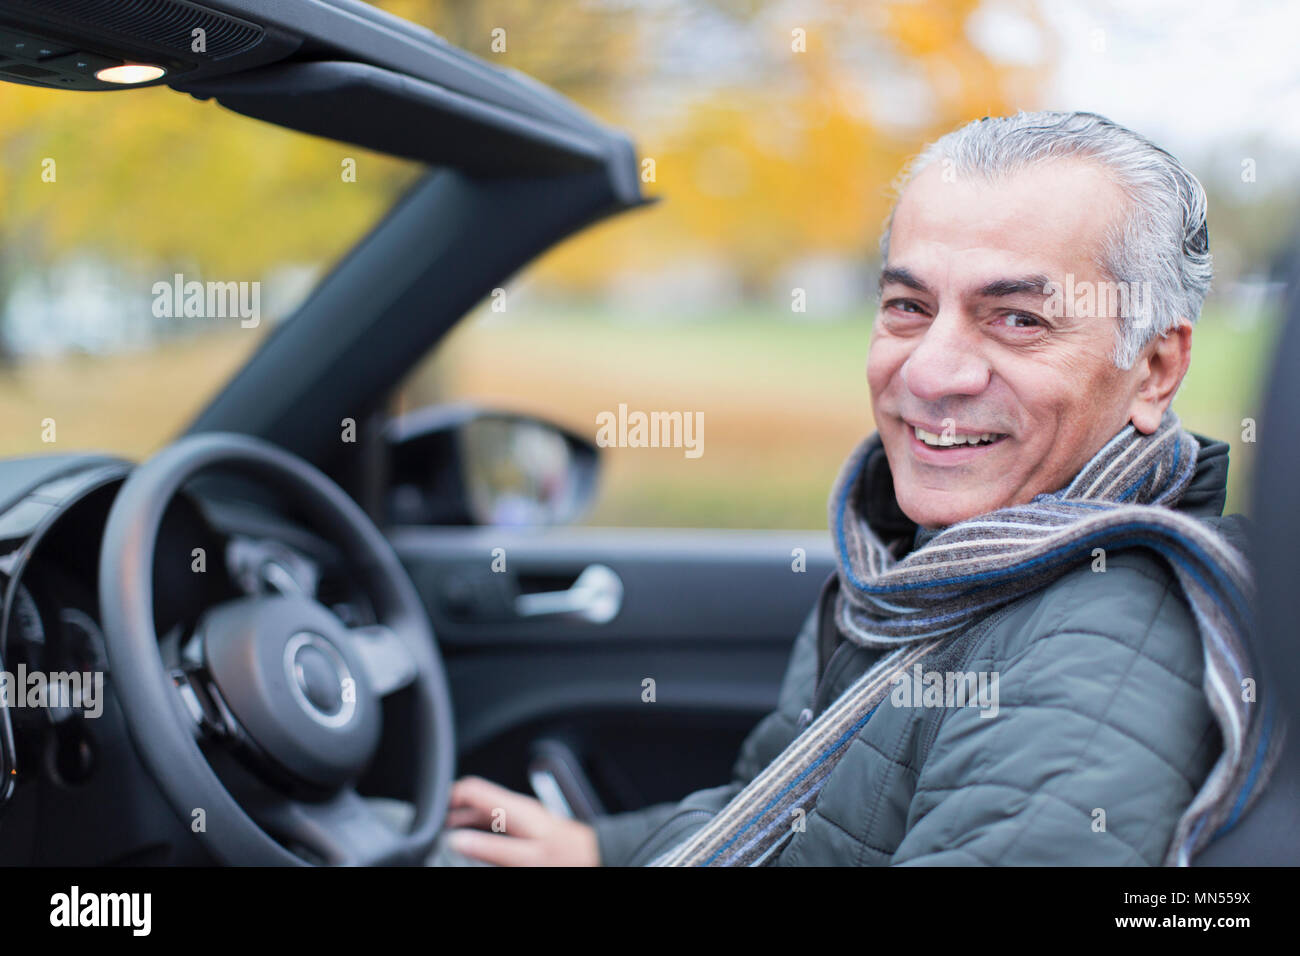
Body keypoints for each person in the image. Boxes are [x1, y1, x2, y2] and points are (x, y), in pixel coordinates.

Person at [436, 110, 1278, 867]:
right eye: (909, 306)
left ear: (1155, 370)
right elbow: (798, 813)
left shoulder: (1106, 642)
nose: (933, 370)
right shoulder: (922, 569)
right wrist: (597, 849)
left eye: (1017, 319)